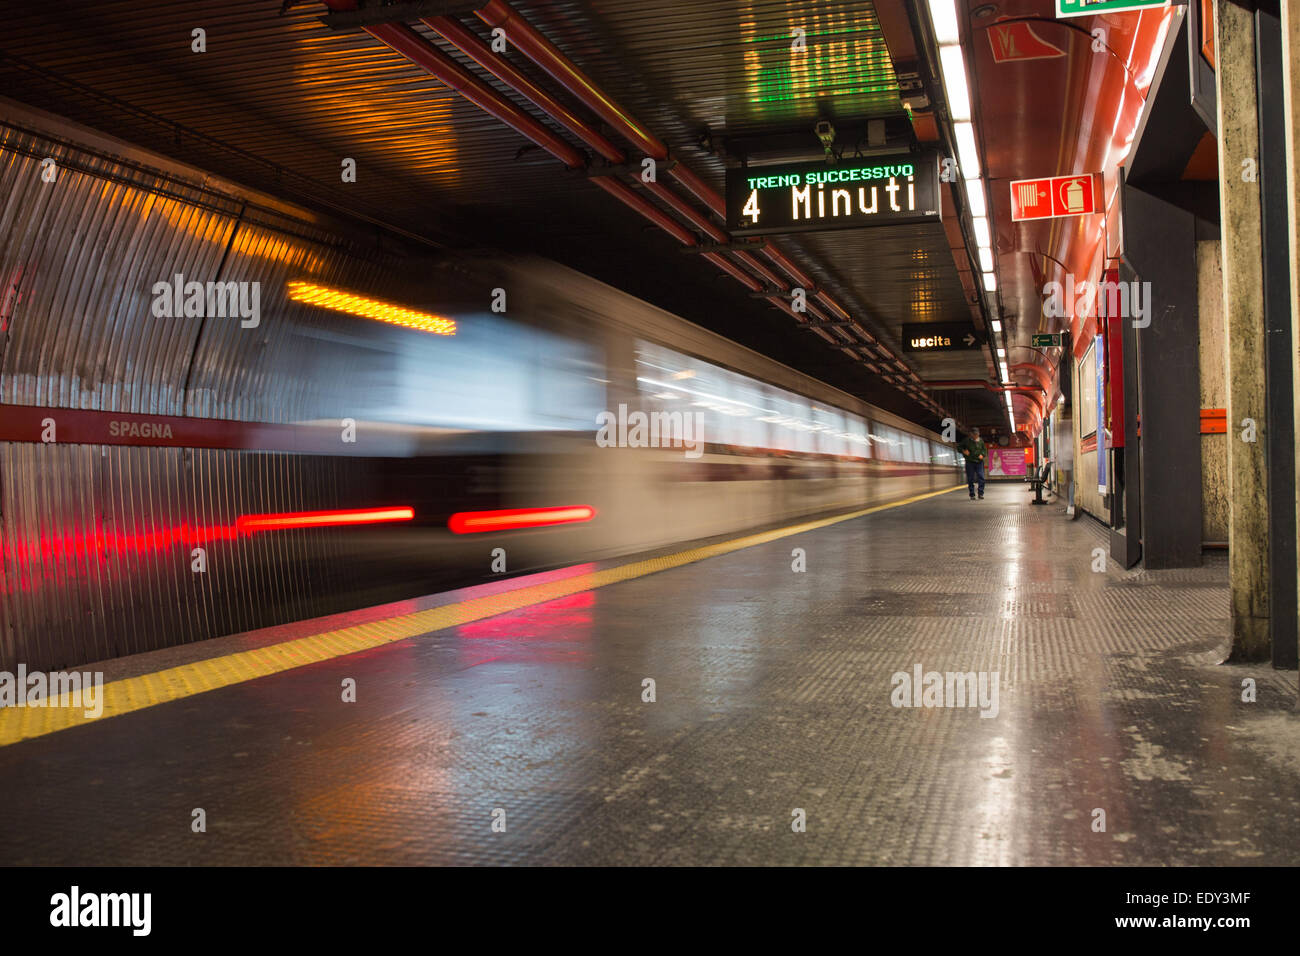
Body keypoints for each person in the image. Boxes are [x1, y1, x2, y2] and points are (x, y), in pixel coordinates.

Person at [957, 427, 987, 500]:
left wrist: (982, 455)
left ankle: (980, 493)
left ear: (978, 434)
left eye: (977, 434)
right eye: (974, 434)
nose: (976, 436)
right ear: (971, 434)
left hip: (979, 462)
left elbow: (984, 450)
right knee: (970, 479)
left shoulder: (981, 441)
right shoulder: (966, 441)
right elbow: (959, 447)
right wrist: (963, 451)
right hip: (969, 462)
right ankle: (972, 494)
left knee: (981, 477)